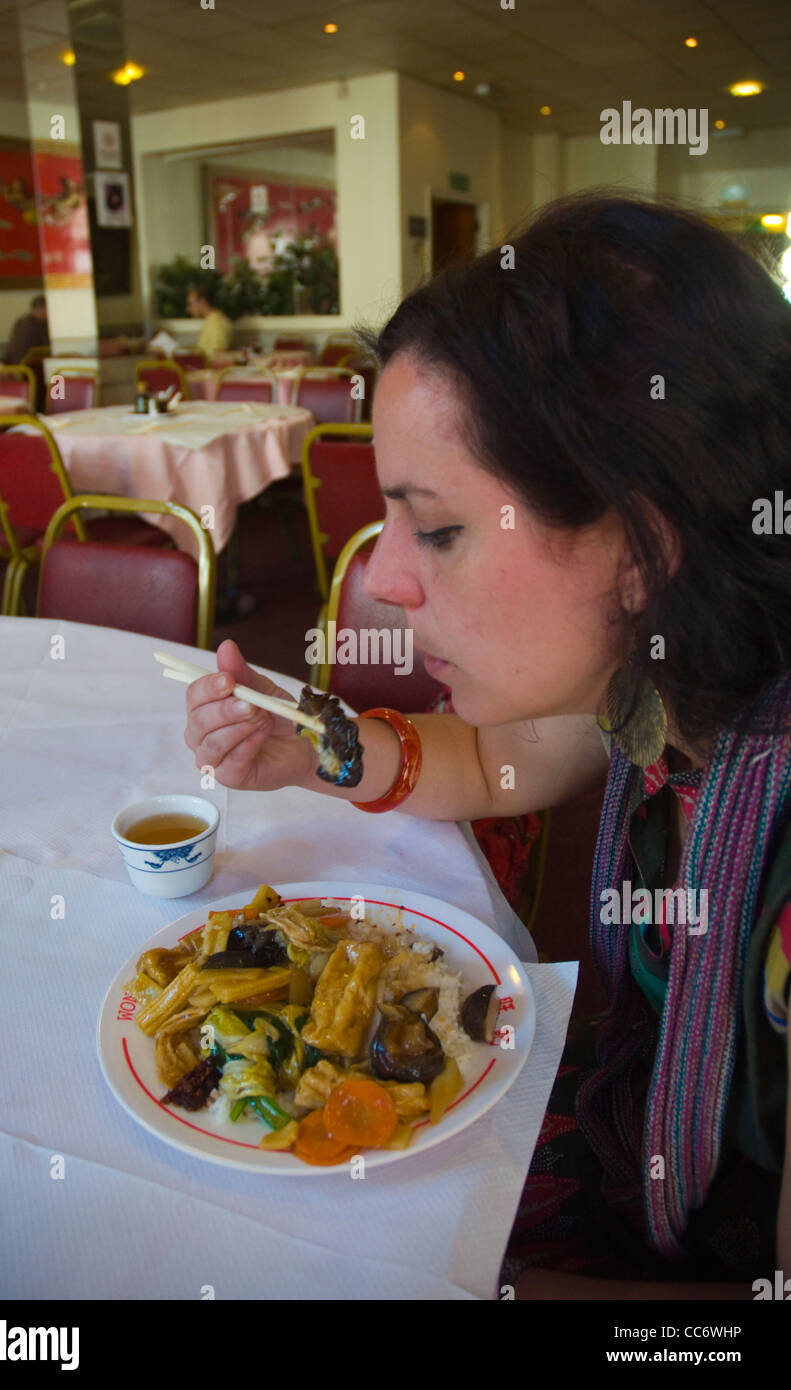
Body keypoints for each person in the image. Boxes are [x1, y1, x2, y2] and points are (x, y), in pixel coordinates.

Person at [182, 192, 791, 1297]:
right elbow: (493, 764)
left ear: (642, 542)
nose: (380, 576)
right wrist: (305, 748)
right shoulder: (665, 684)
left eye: (441, 527)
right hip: (624, 1133)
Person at [186, 283, 231, 358]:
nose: (189, 309)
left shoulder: (216, 322)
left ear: (203, 302)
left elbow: (219, 352)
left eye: (191, 304)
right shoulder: (210, 320)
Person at [3, 293, 49, 364]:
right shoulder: (34, 324)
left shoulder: (21, 322)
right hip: (26, 365)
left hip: (14, 364)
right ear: (44, 309)